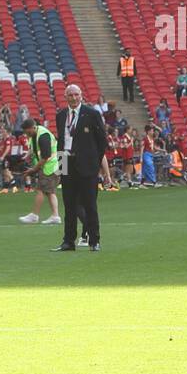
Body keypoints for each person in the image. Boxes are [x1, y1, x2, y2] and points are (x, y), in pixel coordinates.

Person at [52, 83, 110, 252]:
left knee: (90, 205)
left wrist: (94, 163)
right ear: (65, 97)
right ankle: (68, 241)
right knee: (69, 205)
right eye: (70, 95)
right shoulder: (61, 115)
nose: (74, 98)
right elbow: (61, 142)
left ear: (81, 95)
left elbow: (102, 142)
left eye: (76, 94)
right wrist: (60, 168)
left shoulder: (91, 114)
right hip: (67, 163)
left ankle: (94, 240)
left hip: (87, 166)